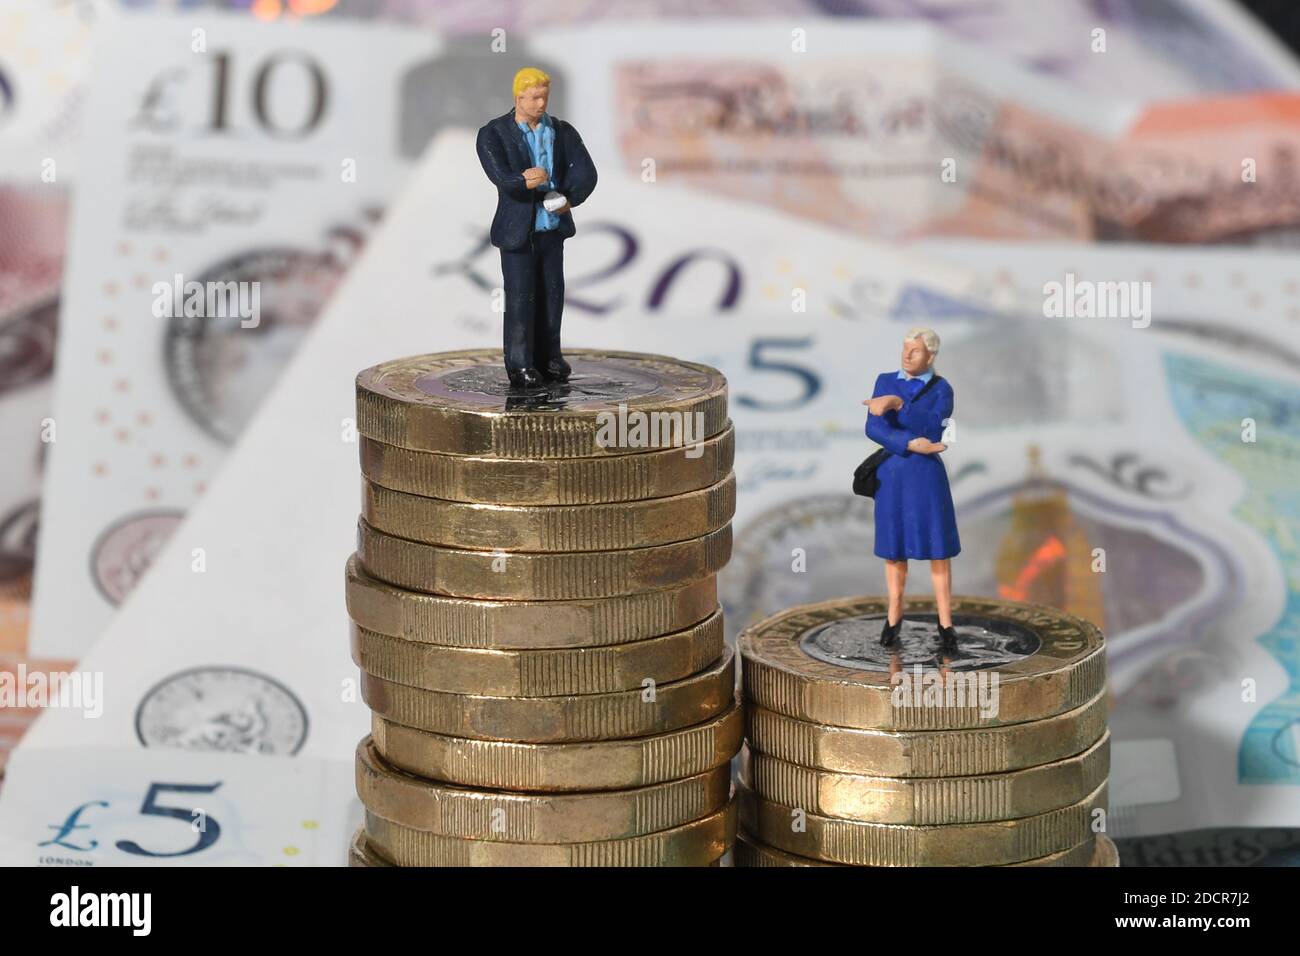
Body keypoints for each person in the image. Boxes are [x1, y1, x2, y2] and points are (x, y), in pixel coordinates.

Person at [475, 67, 598, 390]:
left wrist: (568, 199)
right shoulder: (493, 134)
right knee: (520, 299)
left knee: (552, 295)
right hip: (518, 233)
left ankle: (550, 356)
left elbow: (586, 173)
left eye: (545, 96)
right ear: (518, 97)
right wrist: (522, 180)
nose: (541, 103)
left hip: (552, 229)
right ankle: (520, 363)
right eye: (534, 98)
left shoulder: (563, 132)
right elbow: (500, 176)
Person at [863, 328, 961, 653]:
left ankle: (945, 621)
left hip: (927, 478)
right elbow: (873, 427)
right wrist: (907, 443)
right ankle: (893, 615)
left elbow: (936, 425)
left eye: (915, 351)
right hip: (892, 474)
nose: (907, 356)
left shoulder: (942, 388)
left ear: (930, 356)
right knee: (894, 549)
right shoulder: (884, 379)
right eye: (905, 349)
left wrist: (897, 404)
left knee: (938, 550)